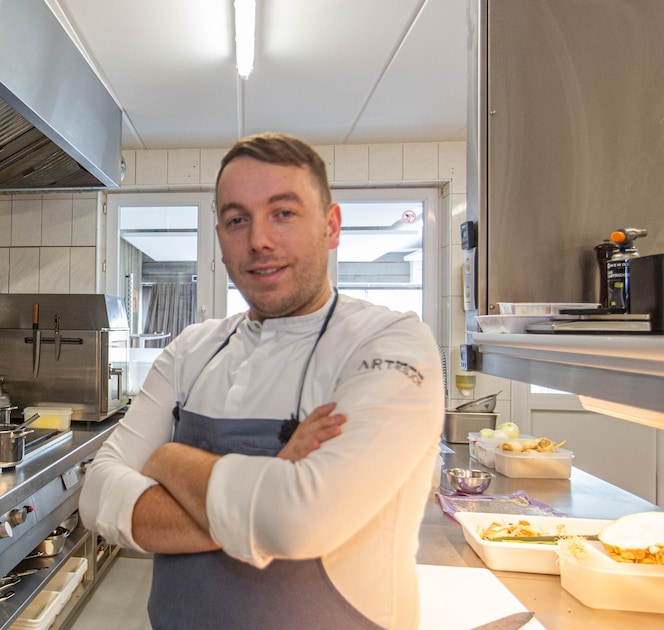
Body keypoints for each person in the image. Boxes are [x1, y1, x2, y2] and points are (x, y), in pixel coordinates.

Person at [78, 133, 443, 629]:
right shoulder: (192, 348)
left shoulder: (390, 343)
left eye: (284, 213)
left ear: (331, 227)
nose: (259, 241)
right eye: (237, 220)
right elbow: (97, 495)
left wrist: (167, 460)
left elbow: (297, 522)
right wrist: (268, 485)